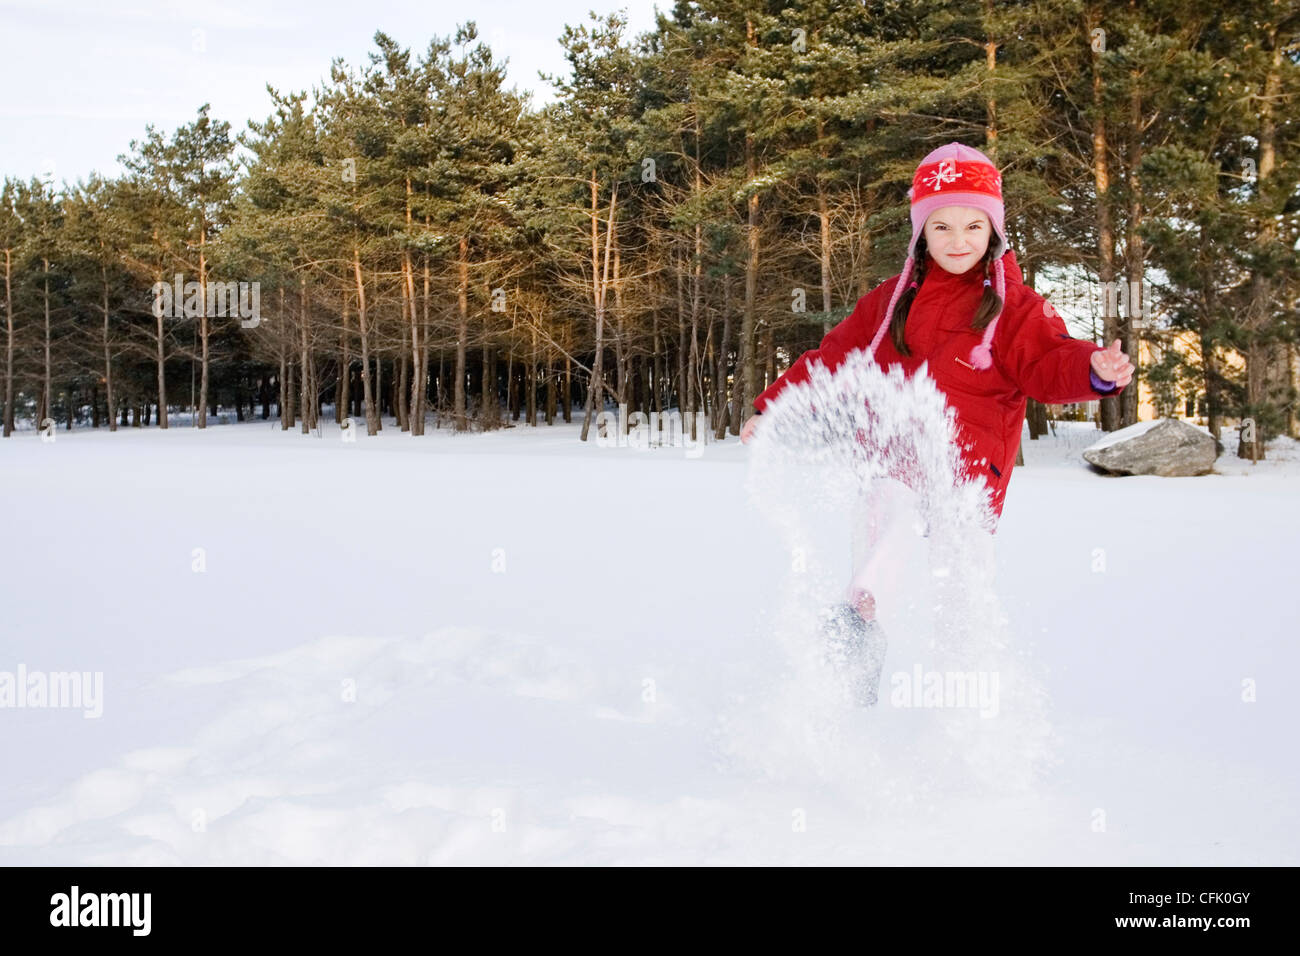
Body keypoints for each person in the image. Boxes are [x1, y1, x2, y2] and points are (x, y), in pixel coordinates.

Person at [740, 142, 1134, 705]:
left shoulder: (1015, 308)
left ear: (993, 231)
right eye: (942, 226)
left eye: (974, 225)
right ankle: (853, 647)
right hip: (894, 463)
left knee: (962, 595)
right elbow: (833, 357)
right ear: (921, 233)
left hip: (967, 481)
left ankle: (968, 704)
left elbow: (1050, 363)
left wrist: (1094, 369)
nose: (958, 241)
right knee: (884, 531)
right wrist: (773, 406)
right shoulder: (889, 303)